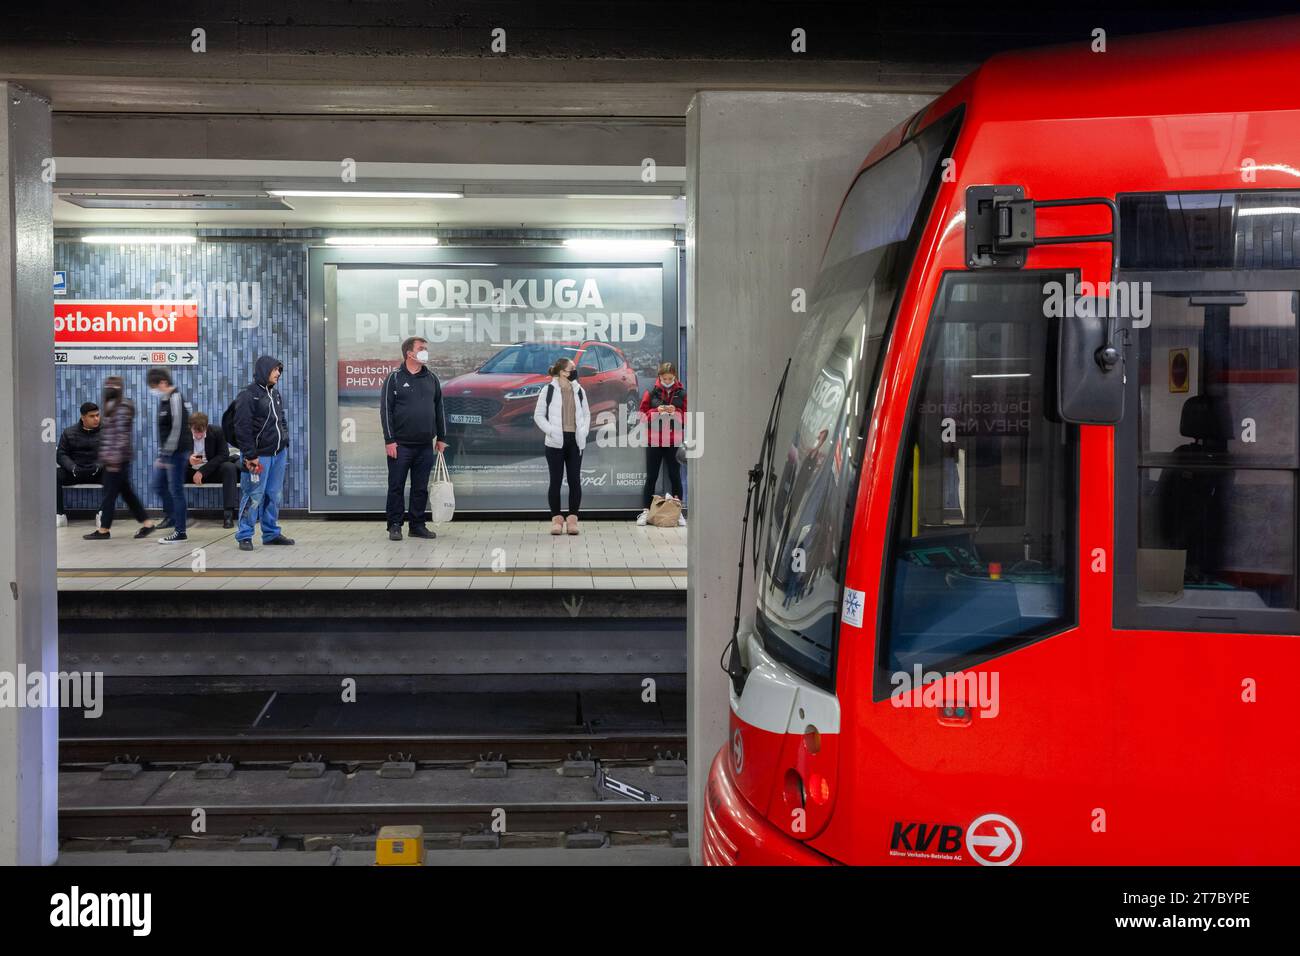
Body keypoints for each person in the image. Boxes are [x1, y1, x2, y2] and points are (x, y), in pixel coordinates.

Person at [380, 336, 448, 541]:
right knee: (396, 486)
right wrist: (389, 440)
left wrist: (441, 437)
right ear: (409, 353)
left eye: (426, 348)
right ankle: (394, 525)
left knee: (420, 487)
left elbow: (439, 409)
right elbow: (385, 411)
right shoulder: (394, 378)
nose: (425, 351)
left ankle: (417, 525)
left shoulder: (432, 378)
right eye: (421, 348)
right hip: (400, 445)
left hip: (425, 445)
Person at [232, 355, 294, 551]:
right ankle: (244, 535)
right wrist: (250, 455)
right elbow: (241, 428)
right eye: (275, 369)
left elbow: (280, 419)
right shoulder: (248, 395)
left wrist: (284, 440)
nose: (278, 374)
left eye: (279, 370)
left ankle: (271, 534)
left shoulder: (274, 394)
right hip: (258, 457)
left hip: (278, 453)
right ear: (264, 370)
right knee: (253, 495)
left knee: (273, 495)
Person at [82, 377, 156, 540]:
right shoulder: (111, 406)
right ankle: (147, 523)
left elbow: (121, 436)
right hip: (114, 459)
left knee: (109, 494)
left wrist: (114, 460)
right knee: (127, 493)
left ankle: (104, 530)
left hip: (116, 460)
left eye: (113, 386)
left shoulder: (121, 407)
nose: (109, 388)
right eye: (108, 385)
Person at [533, 356, 591, 535]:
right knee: (556, 481)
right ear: (562, 372)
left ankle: (573, 519)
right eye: (571, 368)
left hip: (575, 441)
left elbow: (587, 414)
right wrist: (551, 431)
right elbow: (538, 415)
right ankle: (557, 520)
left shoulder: (579, 390)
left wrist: (583, 432)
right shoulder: (548, 390)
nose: (574, 371)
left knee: (575, 481)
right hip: (554, 442)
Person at [635, 362, 687, 527]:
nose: (667, 381)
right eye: (664, 378)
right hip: (655, 440)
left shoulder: (682, 394)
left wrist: (676, 412)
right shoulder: (651, 393)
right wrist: (657, 411)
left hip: (673, 441)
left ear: (675, 377)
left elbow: (687, 416)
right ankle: (645, 512)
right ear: (659, 377)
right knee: (651, 477)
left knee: (675, 476)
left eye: (670, 378)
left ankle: (678, 512)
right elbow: (641, 416)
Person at [146, 367, 191, 544]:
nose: (154, 391)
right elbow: (164, 431)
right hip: (168, 454)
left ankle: (180, 531)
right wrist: (162, 455)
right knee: (158, 485)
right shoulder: (164, 400)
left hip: (177, 453)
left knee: (177, 491)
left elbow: (177, 427)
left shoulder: (175, 397)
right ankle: (174, 516)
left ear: (163, 383)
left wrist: (167, 454)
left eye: (155, 387)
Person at [185, 411, 239, 529]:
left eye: (201, 432)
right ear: (190, 427)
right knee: (170, 470)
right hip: (189, 471)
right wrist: (188, 460)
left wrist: (202, 471)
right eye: (195, 432)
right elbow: (177, 456)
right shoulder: (183, 434)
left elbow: (223, 455)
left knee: (229, 468)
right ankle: (170, 515)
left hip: (210, 470)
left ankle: (228, 514)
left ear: (207, 426)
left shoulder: (217, 431)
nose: (198, 436)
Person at [56, 401, 102, 525]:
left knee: (116, 473)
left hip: (96, 473)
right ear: (83, 417)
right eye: (92, 416)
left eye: (98, 415)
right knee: (55, 475)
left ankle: (102, 513)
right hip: (74, 472)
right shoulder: (69, 432)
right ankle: (60, 514)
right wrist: (72, 467)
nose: (96, 419)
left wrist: (99, 465)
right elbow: (61, 454)